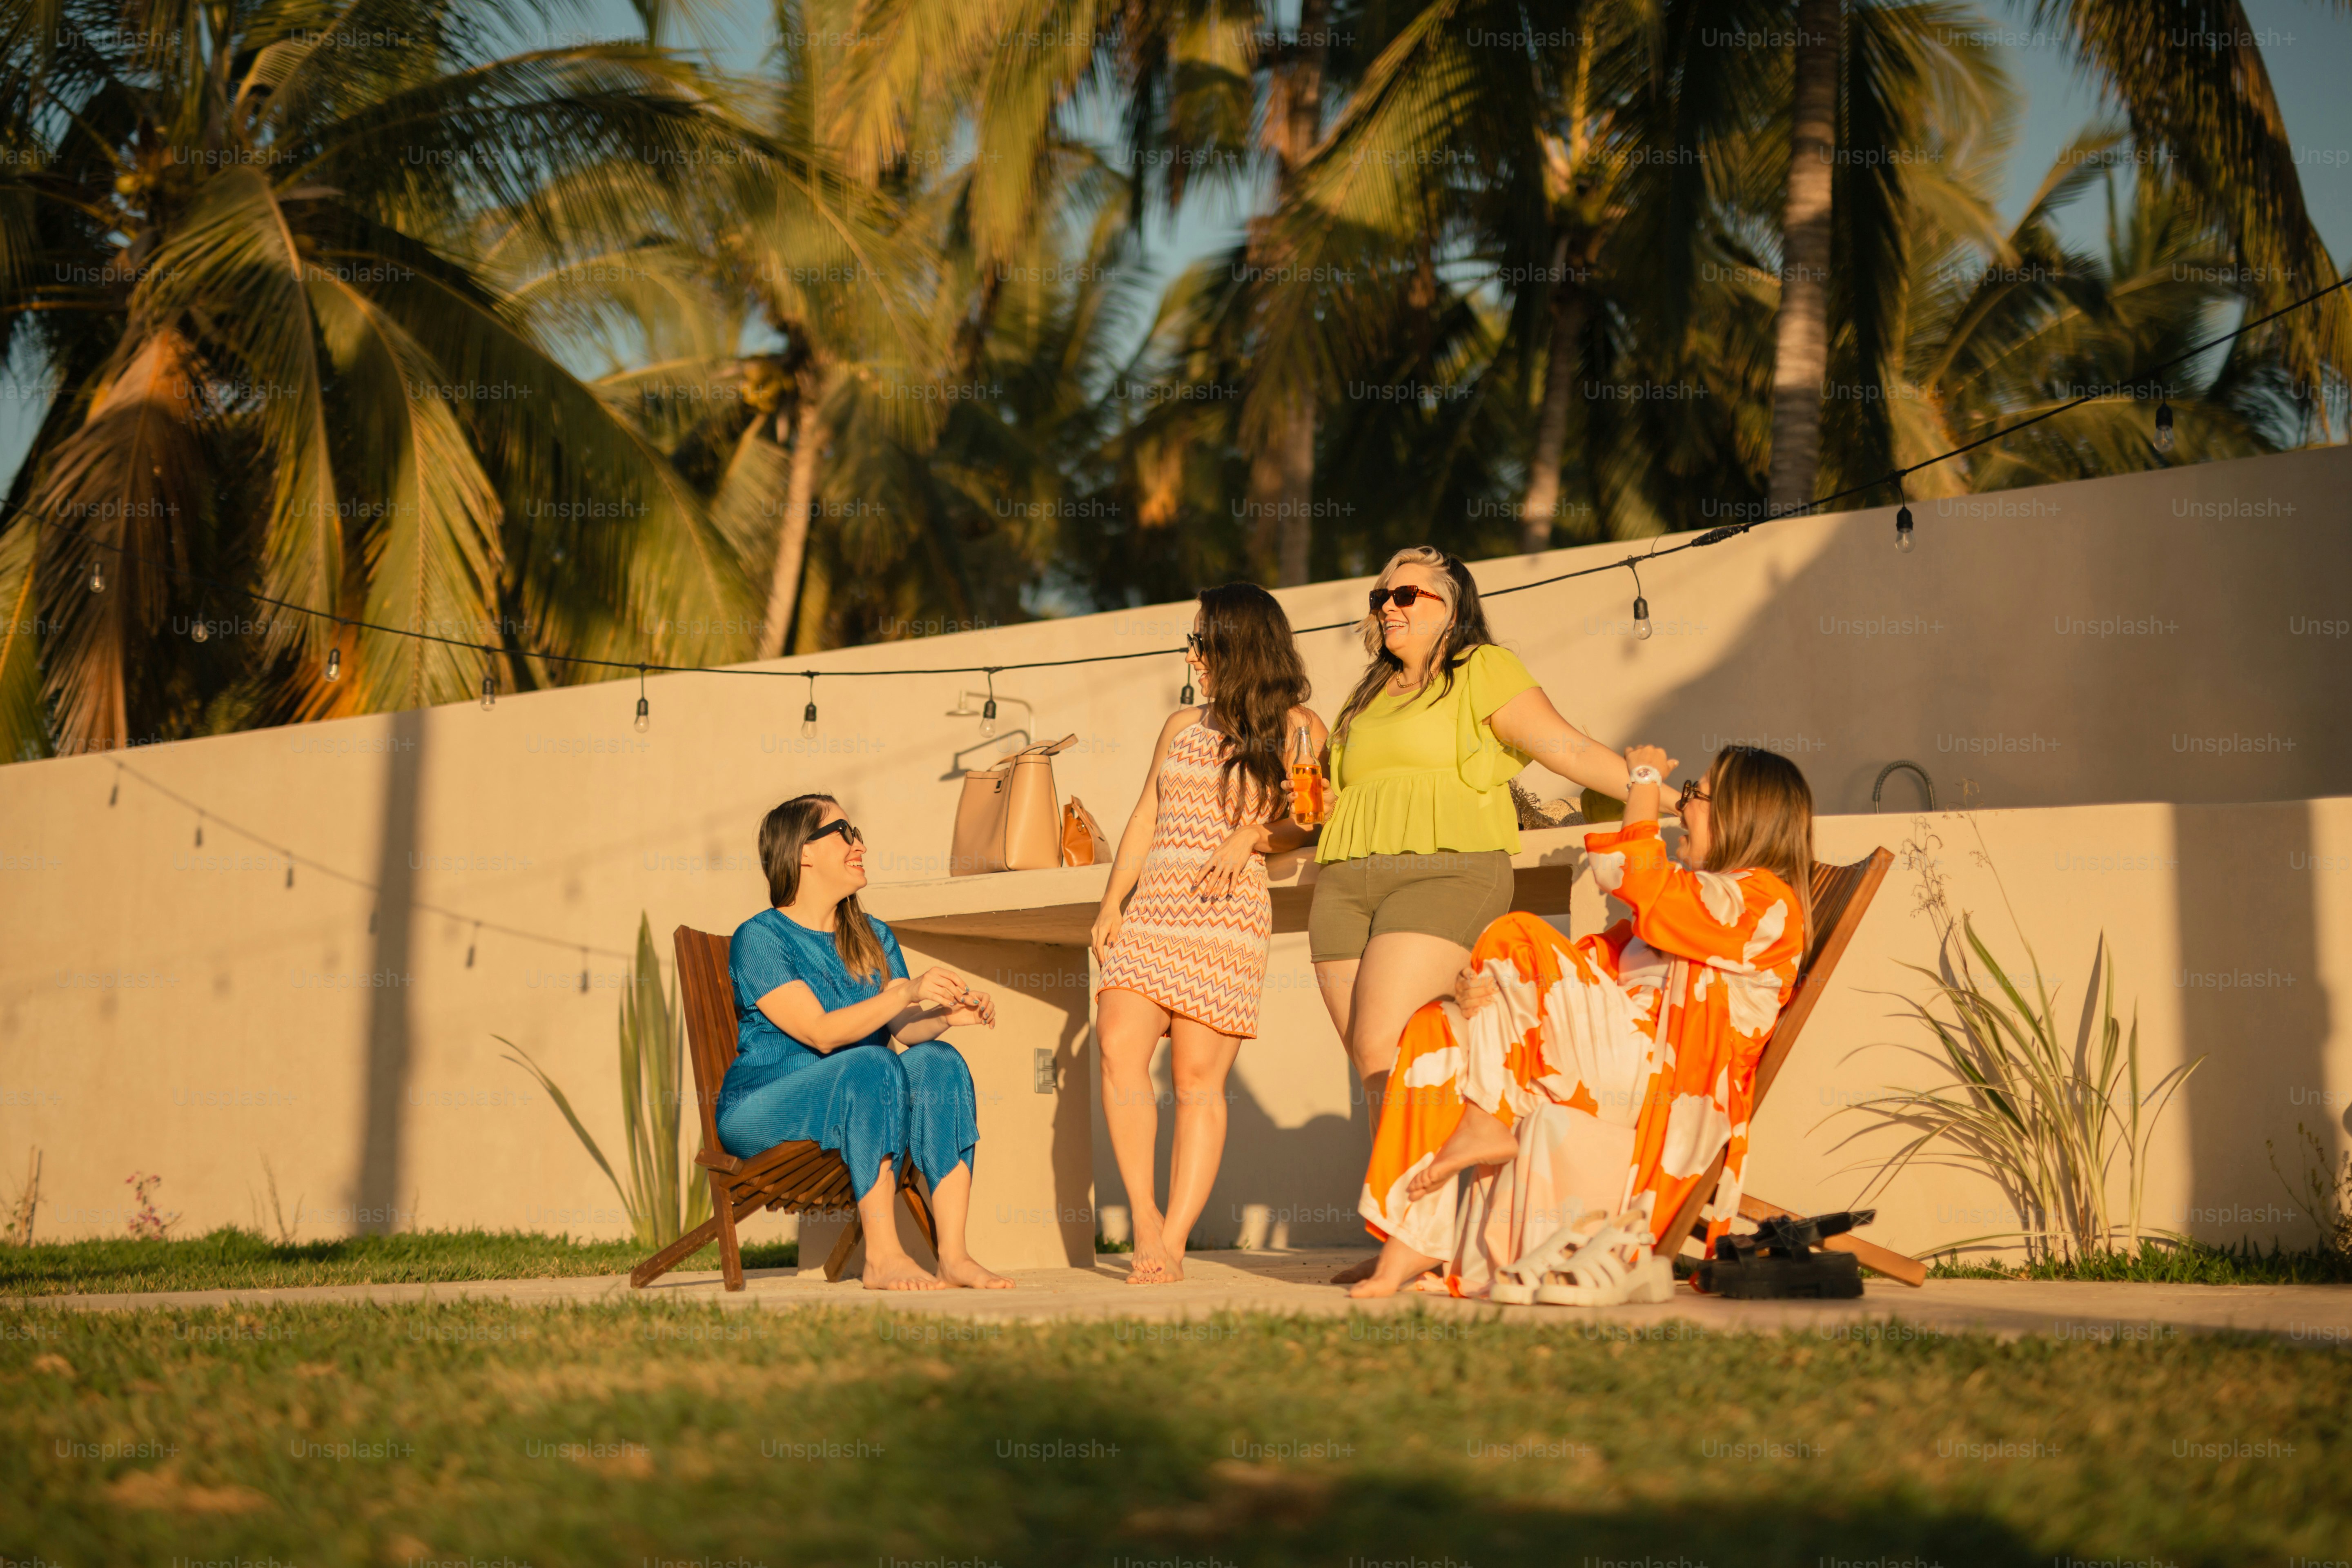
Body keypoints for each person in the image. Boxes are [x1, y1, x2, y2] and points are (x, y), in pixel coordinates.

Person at [1348, 744, 1815, 1301]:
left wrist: (1642, 779)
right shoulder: (1693, 905)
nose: (1681, 804)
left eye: (1695, 793)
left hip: (1656, 1084)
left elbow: (1630, 874)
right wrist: (1487, 986)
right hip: (1613, 1059)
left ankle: (1482, 1116)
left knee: (1519, 935)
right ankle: (1412, 1238)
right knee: (1440, 1025)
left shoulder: (1765, 903)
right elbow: (1586, 965)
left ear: (1743, 813)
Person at [1307, 546, 1633, 1283]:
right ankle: (1408, 1230)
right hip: (1344, 881)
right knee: (1375, 1070)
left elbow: (1569, 750)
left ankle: (1422, 1239)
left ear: (1452, 606)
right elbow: (1335, 792)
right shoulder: (1365, 695)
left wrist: (1664, 795)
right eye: (1380, 595)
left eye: (1409, 594)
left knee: (1389, 1045)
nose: (1390, 606)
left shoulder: (1483, 669)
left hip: (1447, 870)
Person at [1091, 584, 1323, 1283]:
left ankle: (1174, 1243)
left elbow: (1310, 817)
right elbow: (1142, 817)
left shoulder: (1299, 725)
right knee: (1117, 1047)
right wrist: (1112, 904)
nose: (1193, 654)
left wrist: (1254, 832)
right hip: (1154, 909)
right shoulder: (1179, 725)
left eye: (1203, 640)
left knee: (1196, 1084)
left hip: (1227, 917)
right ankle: (1146, 1224)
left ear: (1238, 644)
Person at [715, 793, 1013, 1292]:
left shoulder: (871, 935)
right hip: (764, 1108)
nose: (861, 845)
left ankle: (954, 1255)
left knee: (940, 1062)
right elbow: (821, 1033)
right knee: (871, 1065)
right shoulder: (761, 938)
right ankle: (883, 1257)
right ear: (802, 852)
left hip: (862, 1092)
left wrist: (942, 1015)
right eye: (845, 833)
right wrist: (909, 991)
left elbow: (906, 1030)